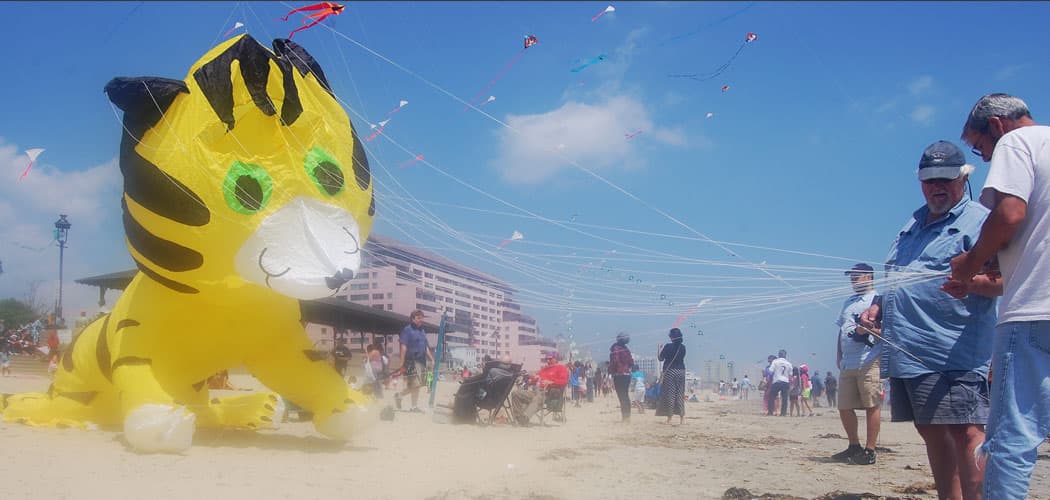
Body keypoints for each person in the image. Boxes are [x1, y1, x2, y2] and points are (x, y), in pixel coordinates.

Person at [860, 140, 999, 500]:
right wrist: (878, 306)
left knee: (967, 432)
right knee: (932, 431)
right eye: (929, 180)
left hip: (954, 349)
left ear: (964, 178)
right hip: (908, 350)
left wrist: (968, 282)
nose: (937, 187)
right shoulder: (913, 223)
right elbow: (899, 277)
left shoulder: (980, 222)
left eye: (946, 180)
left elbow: (1002, 282)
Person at [948, 93, 1050, 499]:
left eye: (981, 148)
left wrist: (971, 262)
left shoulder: (1016, 142)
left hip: (1031, 318)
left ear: (996, 126)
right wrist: (987, 270)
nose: (987, 158)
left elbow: (1008, 215)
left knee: (1011, 440)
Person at [831, 263, 883, 465]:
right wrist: (838, 354)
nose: (853, 280)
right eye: (851, 277)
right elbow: (842, 329)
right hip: (848, 362)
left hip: (869, 359)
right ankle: (854, 445)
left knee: (871, 405)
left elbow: (887, 331)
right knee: (844, 406)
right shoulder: (848, 302)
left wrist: (867, 330)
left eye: (856, 276)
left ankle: (870, 450)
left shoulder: (878, 300)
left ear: (869, 277)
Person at [510, 353, 568, 425]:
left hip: (548, 393)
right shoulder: (544, 369)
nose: (548, 360)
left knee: (537, 398)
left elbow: (564, 382)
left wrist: (551, 382)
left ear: (556, 359)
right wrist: (532, 379)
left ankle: (525, 418)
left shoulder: (561, 368)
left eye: (550, 359)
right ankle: (518, 417)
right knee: (515, 393)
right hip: (536, 391)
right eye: (547, 359)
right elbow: (535, 379)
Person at [395, 310, 435, 413]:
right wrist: (401, 363)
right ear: (413, 319)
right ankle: (414, 407)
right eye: (418, 318)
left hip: (422, 361)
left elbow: (425, 347)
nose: (421, 319)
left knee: (420, 384)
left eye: (422, 317)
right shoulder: (407, 330)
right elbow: (403, 347)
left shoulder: (422, 331)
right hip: (411, 361)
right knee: (416, 384)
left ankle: (399, 396)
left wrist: (431, 358)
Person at [656, 328, 687, 425]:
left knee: (670, 395)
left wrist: (659, 348)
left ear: (672, 337)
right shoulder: (683, 347)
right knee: (680, 394)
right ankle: (682, 418)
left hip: (670, 372)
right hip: (681, 371)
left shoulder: (668, 346)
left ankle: (669, 418)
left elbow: (660, 358)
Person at [608, 332, 634, 422]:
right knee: (626, 396)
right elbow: (631, 362)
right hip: (627, 375)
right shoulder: (626, 349)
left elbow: (614, 361)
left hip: (619, 375)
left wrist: (610, 371)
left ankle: (625, 417)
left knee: (621, 396)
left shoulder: (615, 348)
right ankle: (628, 417)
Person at [767, 350, 792, 416]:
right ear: (785, 355)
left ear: (779, 355)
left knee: (771, 396)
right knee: (784, 398)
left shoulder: (775, 362)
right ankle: (783, 413)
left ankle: (770, 412)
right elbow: (790, 375)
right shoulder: (789, 364)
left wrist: (769, 377)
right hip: (785, 381)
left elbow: (770, 371)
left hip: (777, 381)